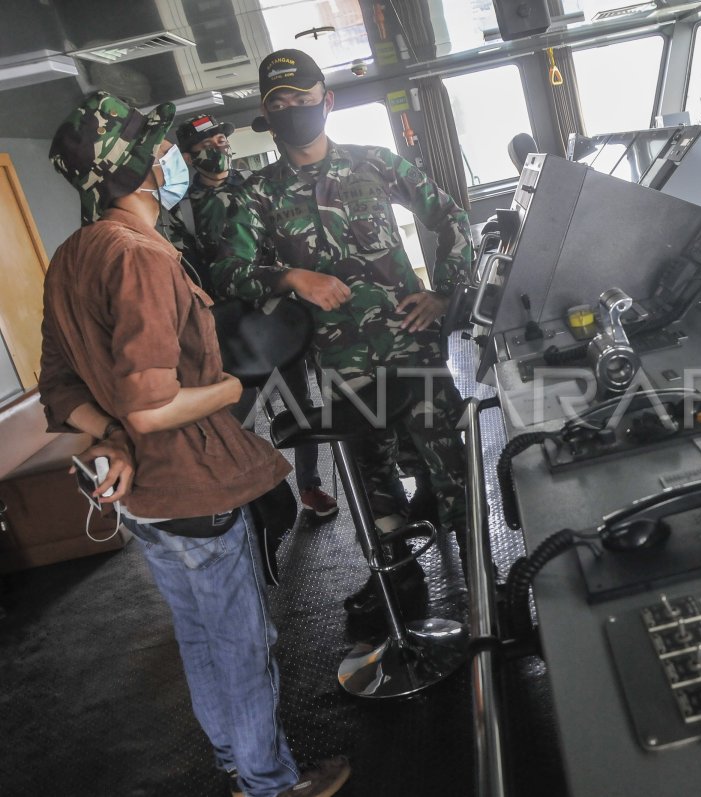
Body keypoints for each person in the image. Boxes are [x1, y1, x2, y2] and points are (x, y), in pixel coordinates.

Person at [41, 90, 349, 797]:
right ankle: (273, 783)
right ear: (138, 169)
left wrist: (110, 437)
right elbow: (152, 407)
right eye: (159, 149)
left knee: (202, 641)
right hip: (194, 489)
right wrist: (235, 388)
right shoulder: (142, 255)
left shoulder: (71, 256)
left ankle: (239, 770)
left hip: (143, 503)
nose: (172, 156)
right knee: (243, 647)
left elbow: (59, 390)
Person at [211, 49, 474, 614]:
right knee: (371, 479)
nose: (292, 110)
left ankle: (485, 584)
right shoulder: (256, 194)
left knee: (451, 463)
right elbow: (228, 270)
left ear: (326, 102)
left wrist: (444, 292)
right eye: (279, 103)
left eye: (302, 99)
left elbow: (449, 217)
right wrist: (291, 276)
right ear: (266, 113)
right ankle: (400, 587)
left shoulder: (374, 162)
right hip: (341, 362)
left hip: (411, 346)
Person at [175, 112, 338, 520]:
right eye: (208, 145)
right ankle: (263, 493)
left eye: (221, 140)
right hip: (229, 335)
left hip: (278, 319)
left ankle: (309, 486)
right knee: (238, 419)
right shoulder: (183, 209)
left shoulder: (256, 187)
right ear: (189, 156)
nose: (220, 147)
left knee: (301, 407)